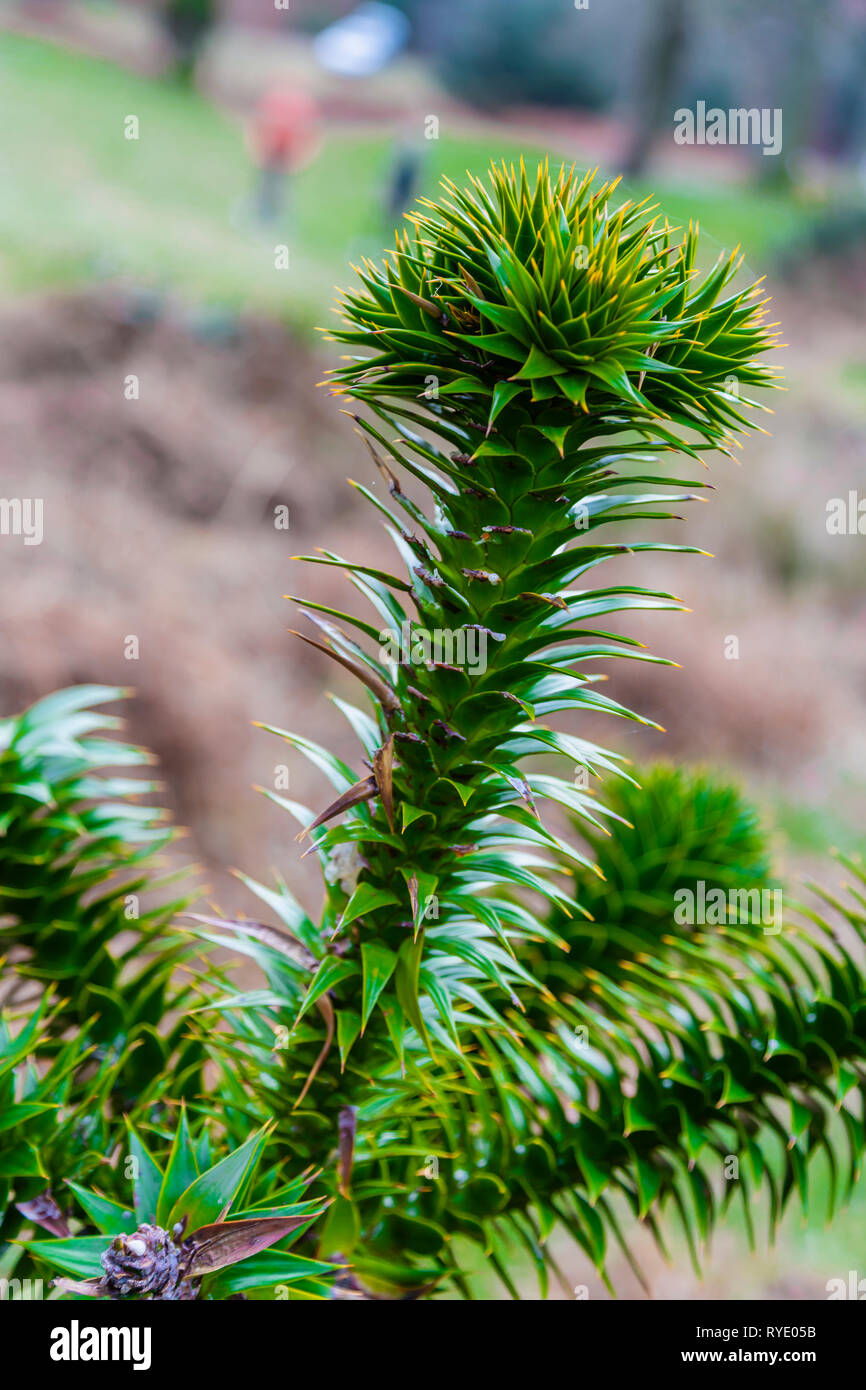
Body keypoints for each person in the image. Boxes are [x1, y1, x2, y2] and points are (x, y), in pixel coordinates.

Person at [249, 88, 320, 227]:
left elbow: (312, 132)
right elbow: (258, 123)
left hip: (289, 155)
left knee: (281, 190)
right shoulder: (274, 98)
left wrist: (302, 157)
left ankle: (276, 221)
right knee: (264, 185)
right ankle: (259, 218)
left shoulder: (305, 105)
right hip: (270, 150)